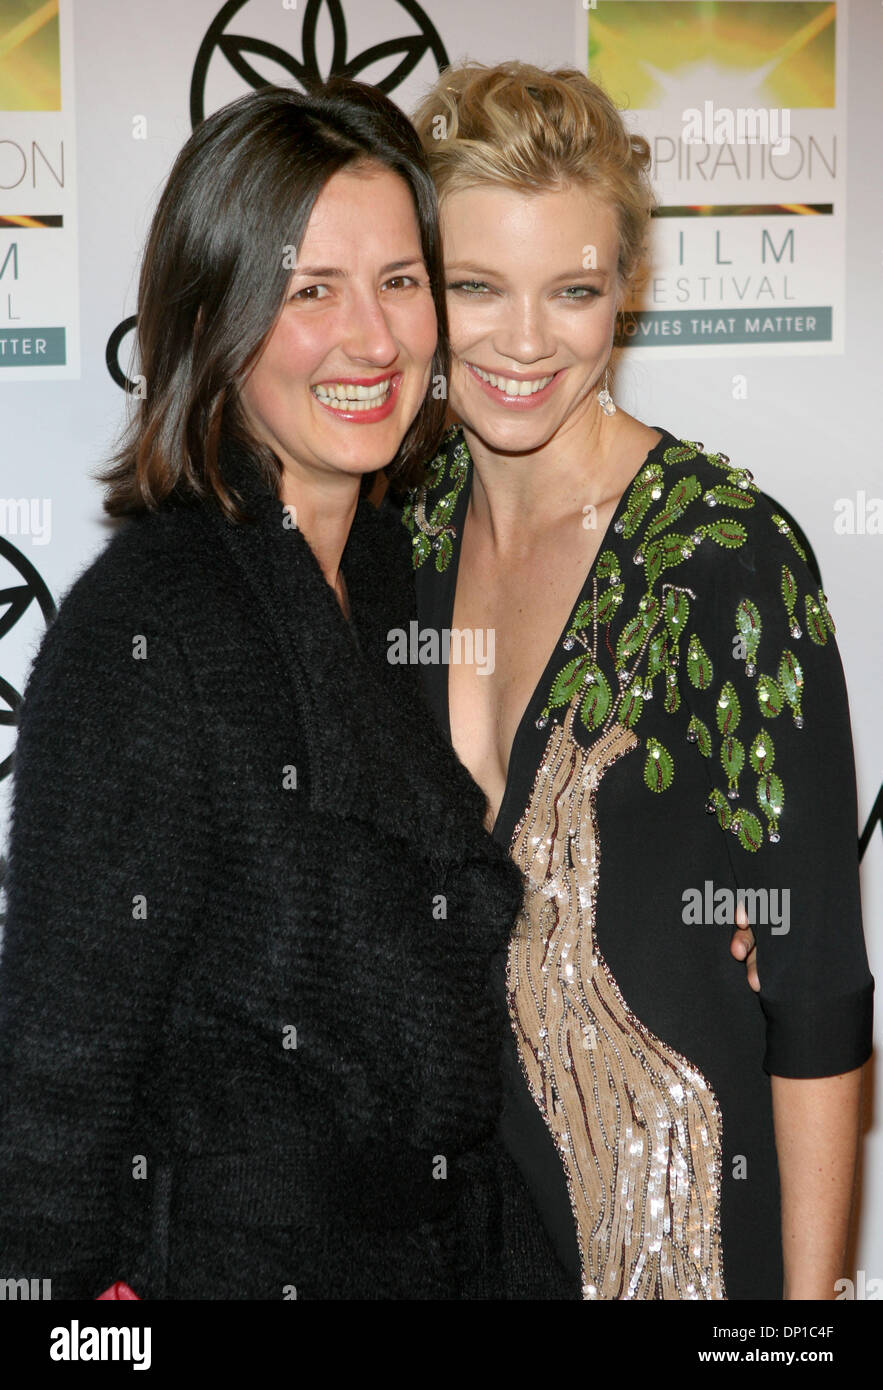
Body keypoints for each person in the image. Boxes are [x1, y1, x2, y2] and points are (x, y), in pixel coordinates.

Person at [0, 81, 577, 1300]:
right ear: (217, 316)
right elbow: (55, 1088)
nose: (372, 339)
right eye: (309, 290)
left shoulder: (387, 583)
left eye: (400, 280)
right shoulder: (150, 635)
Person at [397, 61, 874, 1300]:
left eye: (572, 290)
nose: (521, 339)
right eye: (474, 286)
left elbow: (816, 987)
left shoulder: (729, 560)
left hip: (678, 1234)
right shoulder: (400, 540)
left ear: (630, 290)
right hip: (463, 1240)